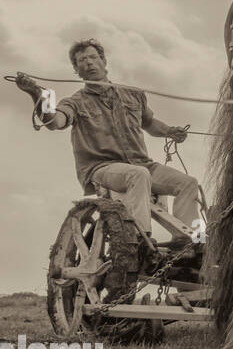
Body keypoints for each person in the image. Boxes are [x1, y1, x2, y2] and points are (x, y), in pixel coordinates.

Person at [14, 39, 201, 252]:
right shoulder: (74, 102)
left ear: (103, 61)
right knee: (138, 175)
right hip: (102, 168)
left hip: (142, 164)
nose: (89, 63)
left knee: (188, 183)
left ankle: (190, 240)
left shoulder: (133, 94)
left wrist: (169, 131)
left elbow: (148, 123)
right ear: (76, 70)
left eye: (93, 57)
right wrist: (36, 95)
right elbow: (55, 122)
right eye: (82, 61)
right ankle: (139, 241)